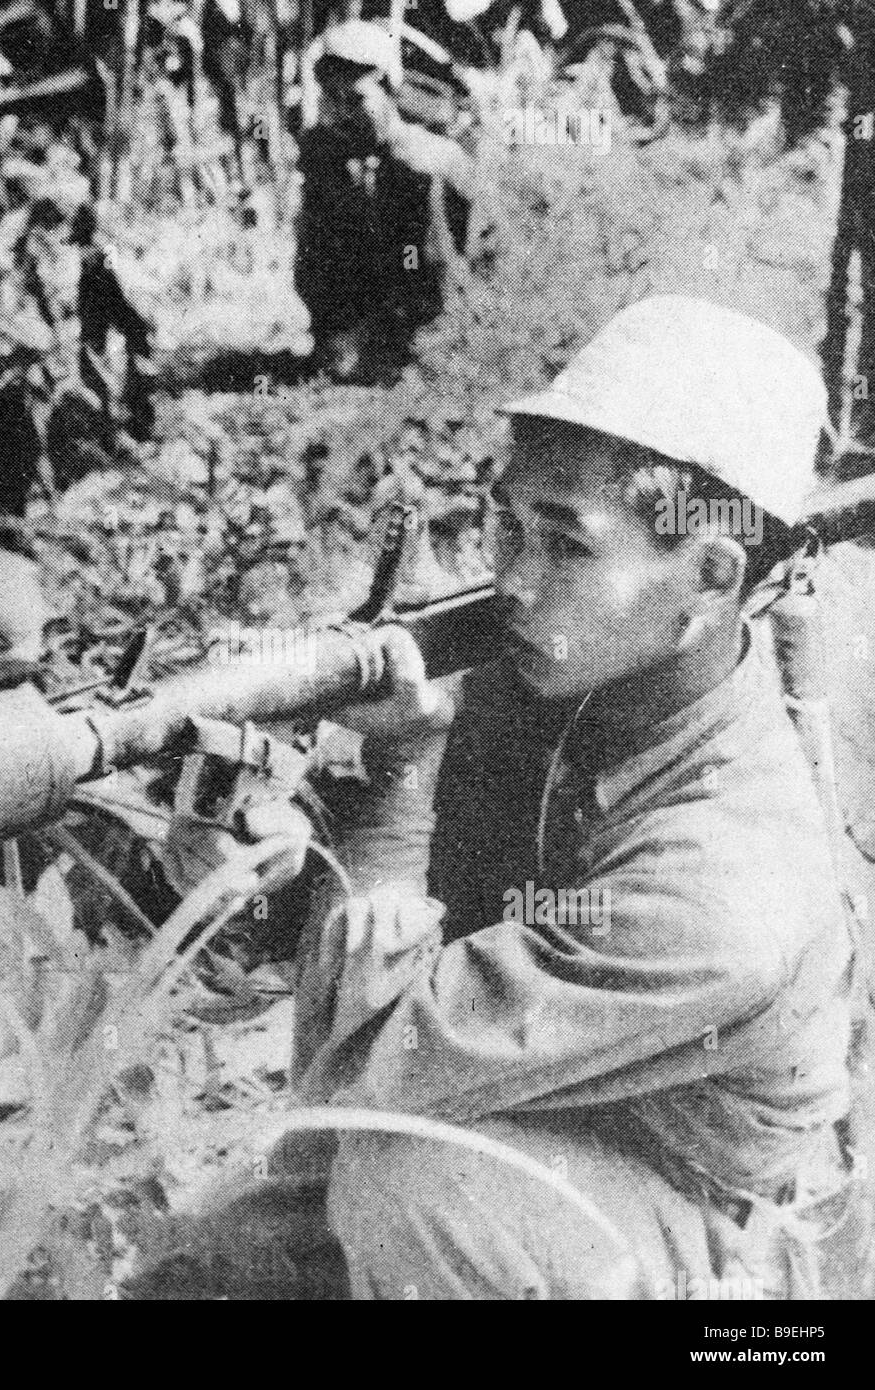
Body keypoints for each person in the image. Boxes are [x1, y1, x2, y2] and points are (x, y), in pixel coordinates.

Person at [142, 296, 858, 1300]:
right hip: (525, 1126)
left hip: (688, 1223)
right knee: (205, 1268)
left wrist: (402, 771)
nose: (512, 582)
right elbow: (364, 916)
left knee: (409, 1191)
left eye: (566, 546)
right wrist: (258, 872)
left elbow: (362, 1076)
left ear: (709, 576)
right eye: (505, 525)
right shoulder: (565, 678)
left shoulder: (722, 889)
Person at [295, 20, 479, 382]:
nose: (343, 113)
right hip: (374, 308)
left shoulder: (426, 162)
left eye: (356, 100)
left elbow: (430, 264)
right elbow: (316, 258)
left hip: (432, 307)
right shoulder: (330, 156)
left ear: (388, 91)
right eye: (332, 98)